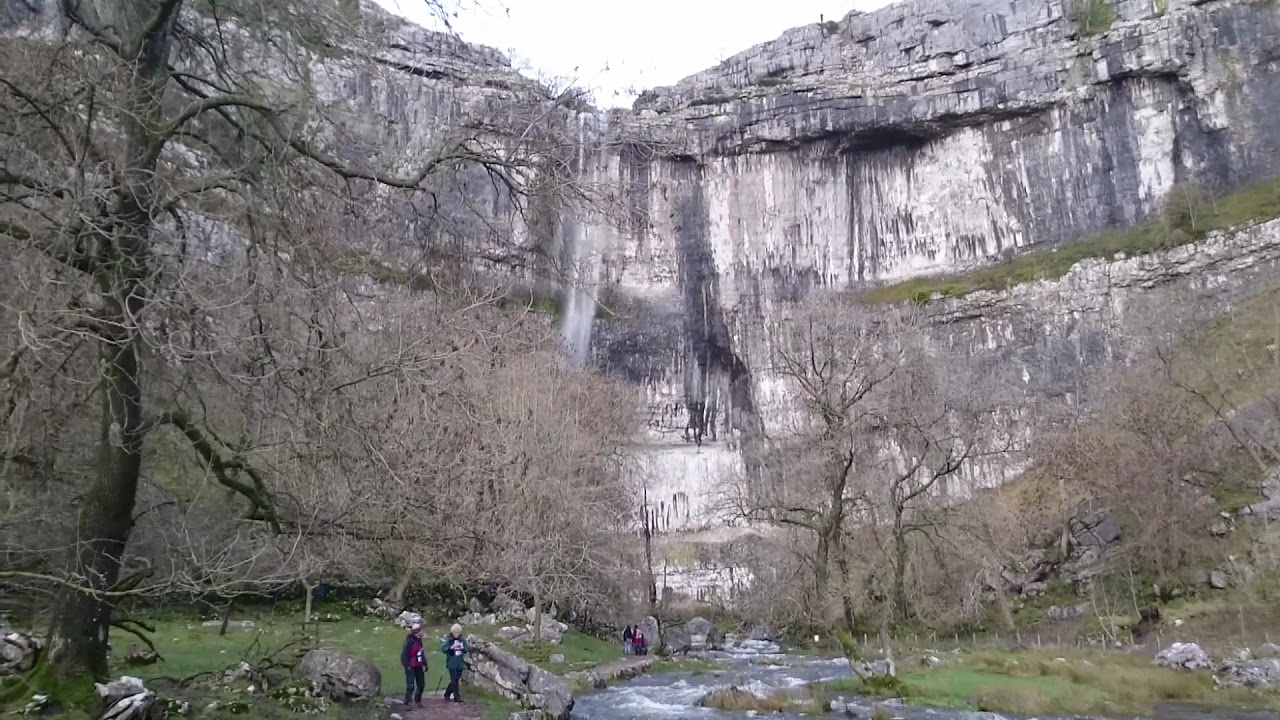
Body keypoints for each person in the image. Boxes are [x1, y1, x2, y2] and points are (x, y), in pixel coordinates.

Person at [400, 622, 427, 707]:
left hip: (418, 665)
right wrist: (407, 666)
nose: (422, 632)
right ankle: (407, 702)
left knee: (421, 684)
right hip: (410, 665)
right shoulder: (409, 641)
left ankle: (418, 700)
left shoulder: (419, 640)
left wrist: (425, 664)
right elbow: (404, 655)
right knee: (410, 685)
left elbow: (421, 653)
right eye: (421, 630)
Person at [441, 623, 469, 702]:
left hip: (459, 663)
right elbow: (444, 649)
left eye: (458, 632)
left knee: (456, 679)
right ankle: (456, 697)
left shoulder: (462, 640)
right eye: (455, 632)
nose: (457, 634)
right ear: (452, 632)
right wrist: (451, 648)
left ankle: (447, 693)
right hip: (452, 663)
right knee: (454, 680)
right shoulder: (449, 640)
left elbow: (466, 649)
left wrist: (462, 648)